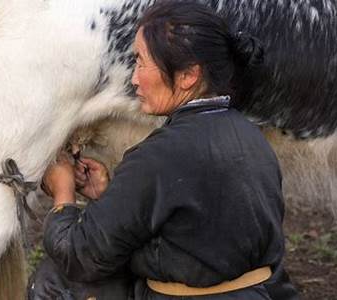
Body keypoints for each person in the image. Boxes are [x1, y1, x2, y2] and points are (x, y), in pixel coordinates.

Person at [30, 1, 299, 299]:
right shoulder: (253, 137)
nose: (134, 78)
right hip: (267, 293)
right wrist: (112, 198)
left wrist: (62, 193)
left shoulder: (157, 156)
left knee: (54, 281)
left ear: (188, 76)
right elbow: (197, 232)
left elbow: (80, 256)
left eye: (141, 62)